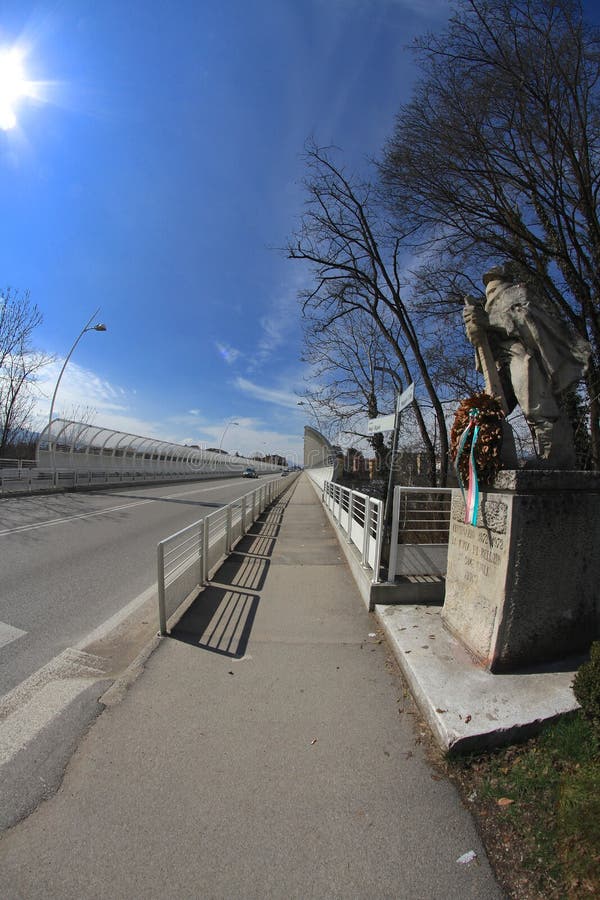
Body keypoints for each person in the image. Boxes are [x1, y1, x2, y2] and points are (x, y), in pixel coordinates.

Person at [463, 262, 590, 467]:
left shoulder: (517, 294)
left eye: (493, 287)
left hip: (522, 356)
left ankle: (554, 456)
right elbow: (486, 346)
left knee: (536, 405)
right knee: (493, 409)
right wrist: (476, 333)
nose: (490, 292)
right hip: (501, 364)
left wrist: (489, 322)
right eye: (488, 289)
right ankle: (494, 456)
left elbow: (526, 320)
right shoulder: (487, 307)